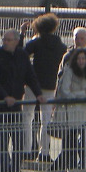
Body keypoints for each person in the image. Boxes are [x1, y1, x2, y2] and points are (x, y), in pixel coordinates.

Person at [25, 14, 65, 160]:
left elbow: (23, 54)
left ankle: (26, 150)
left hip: (33, 84)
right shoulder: (60, 46)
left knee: (27, 117)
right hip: (50, 84)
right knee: (46, 119)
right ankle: (45, 152)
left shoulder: (36, 42)